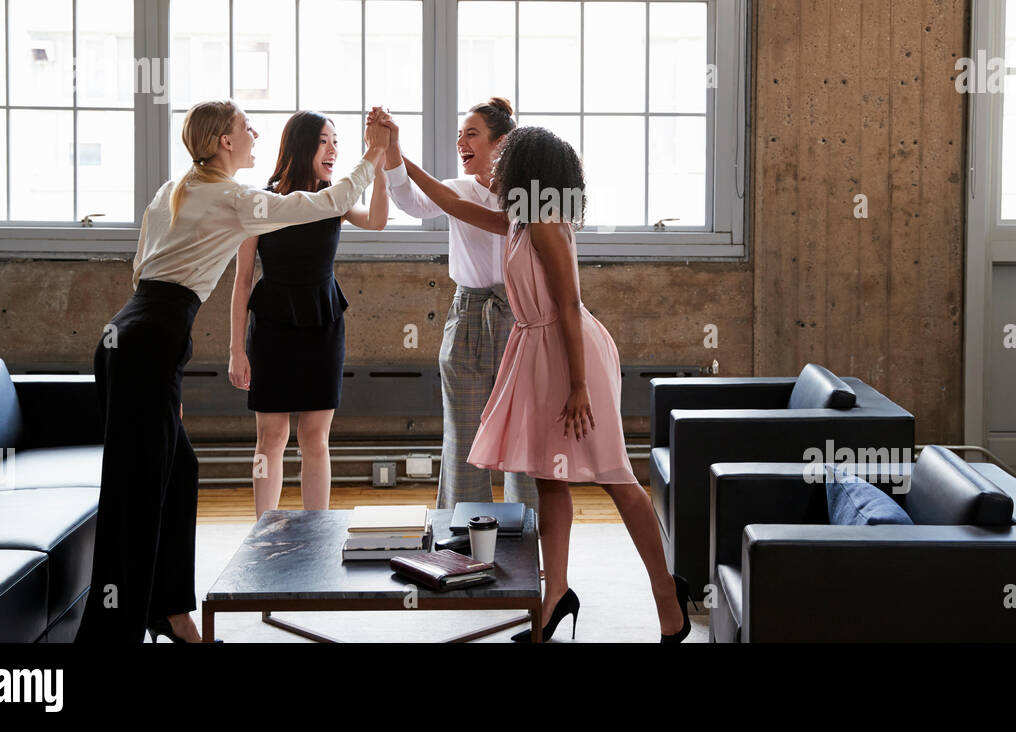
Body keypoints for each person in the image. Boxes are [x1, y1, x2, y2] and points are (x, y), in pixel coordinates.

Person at [76, 100, 390, 644]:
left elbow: (142, 270)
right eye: (247, 129)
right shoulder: (236, 198)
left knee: (180, 474)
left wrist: (163, 365)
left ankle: (172, 614)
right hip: (149, 343)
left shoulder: (174, 190)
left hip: (137, 336)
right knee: (139, 491)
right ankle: (116, 632)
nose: (255, 134)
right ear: (225, 141)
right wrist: (376, 152)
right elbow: (337, 200)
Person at [374, 114, 690, 643]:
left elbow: (568, 304)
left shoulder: (544, 222)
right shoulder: (520, 219)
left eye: (503, 158)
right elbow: (453, 205)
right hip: (537, 347)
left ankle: (667, 596)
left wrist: (579, 385)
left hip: (568, 354)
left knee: (616, 477)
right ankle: (555, 597)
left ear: (527, 169)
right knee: (550, 478)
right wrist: (395, 155)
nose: (493, 164)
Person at [379, 98, 538, 515]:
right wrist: (392, 150)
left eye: (471, 134)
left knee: (523, 436)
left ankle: (528, 540)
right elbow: (410, 203)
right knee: (464, 438)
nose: (460, 142)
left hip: (521, 316)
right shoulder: (457, 188)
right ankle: (463, 545)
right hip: (467, 313)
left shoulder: (529, 198)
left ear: (501, 142)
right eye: (459, 134)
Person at [228, 111, 389, 518]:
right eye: (324, 140)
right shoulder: (260, 202)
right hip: (271, 326)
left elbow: (378, 221)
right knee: (271, 436)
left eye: (336, 140)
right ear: (301, 146)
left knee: (315, 437)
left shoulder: (333, 199)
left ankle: (317, 529)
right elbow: (242, 281)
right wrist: (235, 349)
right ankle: (262, 528)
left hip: (324, 321)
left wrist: (382, 167)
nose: (333, 149)